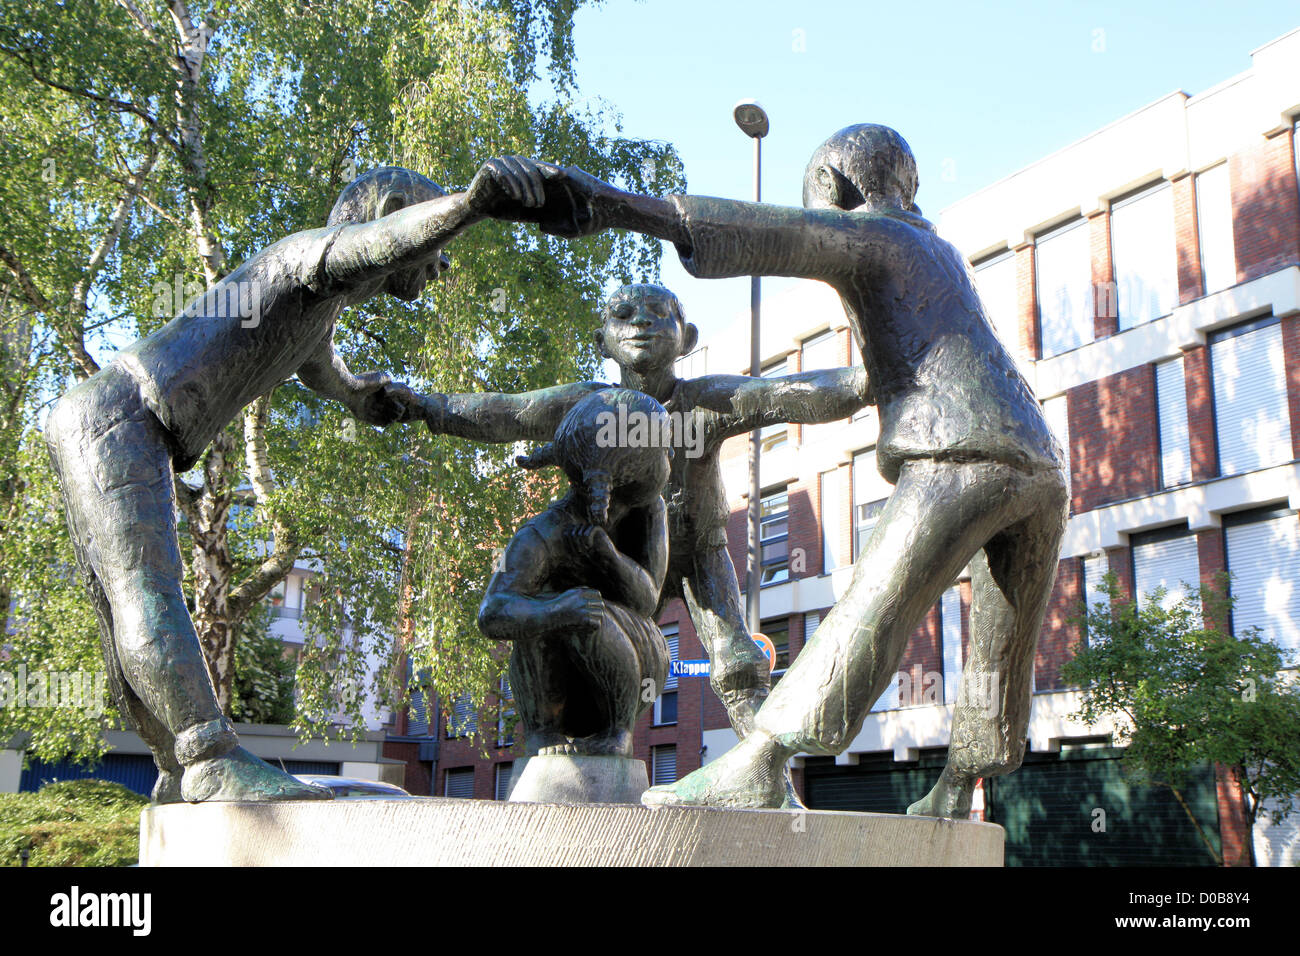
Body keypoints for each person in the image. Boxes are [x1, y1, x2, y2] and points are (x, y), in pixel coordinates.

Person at [536, 124, 1069, 818]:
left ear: (836, 186)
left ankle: (763, 760)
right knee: (1003, 640)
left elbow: (759, 230)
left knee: (873, 605)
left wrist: (609, 204)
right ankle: (957, 787)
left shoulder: (882, 235)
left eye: (816, 195)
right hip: (1040, 462)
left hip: (961, 449)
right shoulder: (941, 252)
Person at [45, 157, 568, 803]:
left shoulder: (318, 307)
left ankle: (178, 771)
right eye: (438, 244)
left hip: (115, 420)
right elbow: (383, 245)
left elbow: (326, 373)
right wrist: (472, 202)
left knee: (127, 598)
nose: (441, 264)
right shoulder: (307, 256)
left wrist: (363, 398)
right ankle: (208, 757)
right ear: (392, 212)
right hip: (121, 416)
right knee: (143, 590)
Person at [416, 282, 869, 803]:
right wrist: (417, 404)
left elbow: (786, 394)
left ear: (688, 337)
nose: (642, 322)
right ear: (600, 340)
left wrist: (868, 380)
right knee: (577, 626)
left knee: (736, 657)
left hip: (697, 551)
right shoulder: (586, 403)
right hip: (614, 554)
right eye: (625, 314)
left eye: (659, 314)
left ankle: (772, 783)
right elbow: (507, 412)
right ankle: (572, 736)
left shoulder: (708, 401)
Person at [478, 388, 671, 759]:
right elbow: (492, 612)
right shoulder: (542, 534)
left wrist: (609, 557)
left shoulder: (651, 511)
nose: (669, 458)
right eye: (661, 451)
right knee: (559, 613)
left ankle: (618, 733)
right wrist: (556, 611)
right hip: (562, 685)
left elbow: (647, 599)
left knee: (590, 615)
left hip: (638, 666)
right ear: (629, 472)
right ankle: (542, 731)